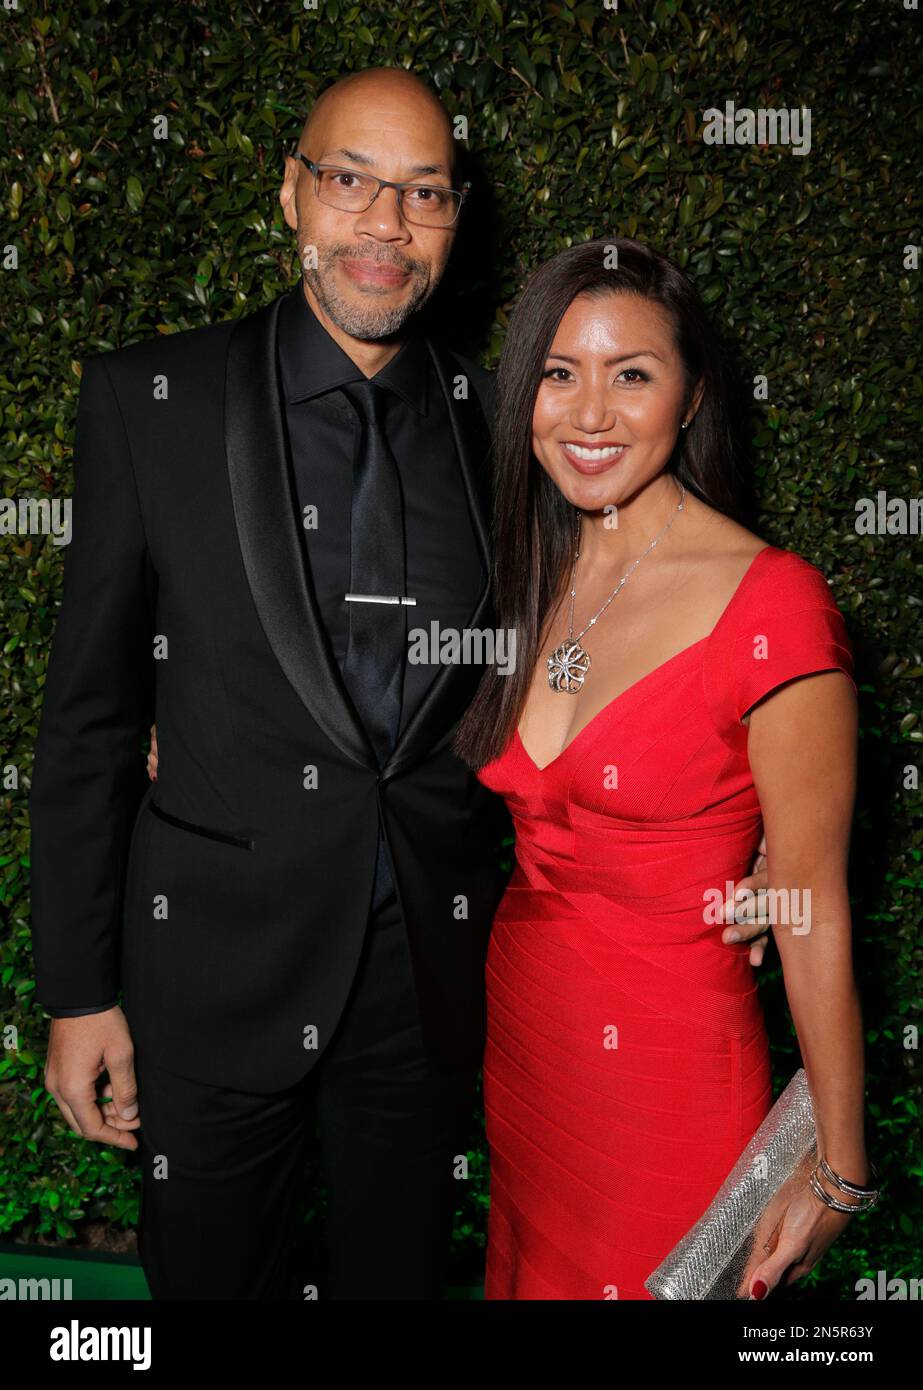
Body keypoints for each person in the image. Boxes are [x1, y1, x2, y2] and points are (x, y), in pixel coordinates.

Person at [30, 69, 772, 1301]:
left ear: (455, 217)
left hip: (431, 975)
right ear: (290, 194)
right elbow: (89, 719)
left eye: (421, 193)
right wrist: (78, 990)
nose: (384, 224)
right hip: (209, 968)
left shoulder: (508, 426)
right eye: (350, 181)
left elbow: (635, 633)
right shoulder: (148, 400)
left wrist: (751, 851)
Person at [455, 237, 877, 1301]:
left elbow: (810, 902)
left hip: (667, 1067)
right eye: (558, 374)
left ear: (690, 399)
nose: (588, 412)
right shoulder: (528, 565)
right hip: (525, 1039)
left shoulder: (770, 601)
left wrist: (836, 1165)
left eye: (630, 374)